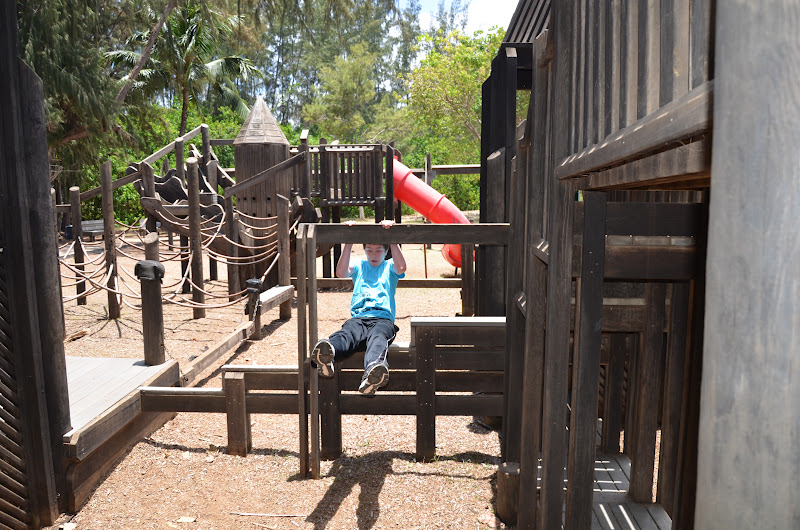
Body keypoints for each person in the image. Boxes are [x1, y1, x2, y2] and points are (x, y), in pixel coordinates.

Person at [311, 219, 406, 395]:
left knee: (378, 338)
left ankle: (373, 372)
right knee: (347, 334)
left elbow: (401, 267)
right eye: (369, 250)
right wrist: (349, 241)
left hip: (382, 319)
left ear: (386, 252)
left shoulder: (388, 267)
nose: (374, 254)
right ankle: (328, 353)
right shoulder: (360, 266)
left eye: (378, 250)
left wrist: (392, 238)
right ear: (364, 251)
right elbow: (340, 272)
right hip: (359, 318)